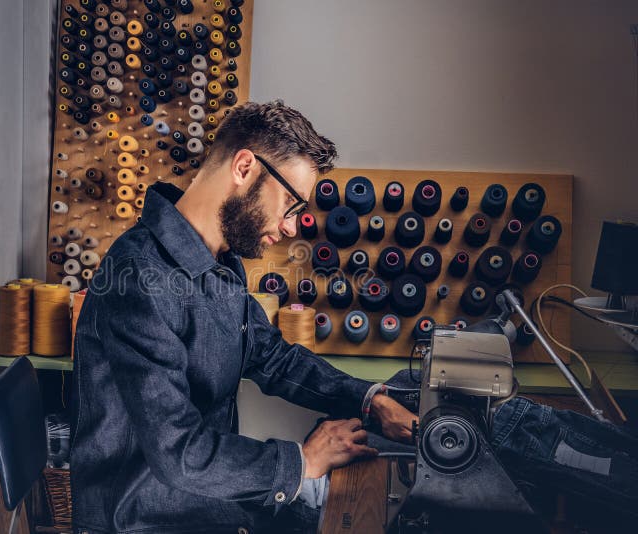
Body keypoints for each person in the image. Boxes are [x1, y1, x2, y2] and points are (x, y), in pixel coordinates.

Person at [70, 100, 417, 534]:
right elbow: (178, 453)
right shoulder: (139, 276)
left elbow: (272, 356)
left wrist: (370, 399)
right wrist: (301, 461)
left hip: (199, 501)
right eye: (291, 203)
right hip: (141, 518)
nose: (291, 227)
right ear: (245, 167)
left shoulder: (217, 261)